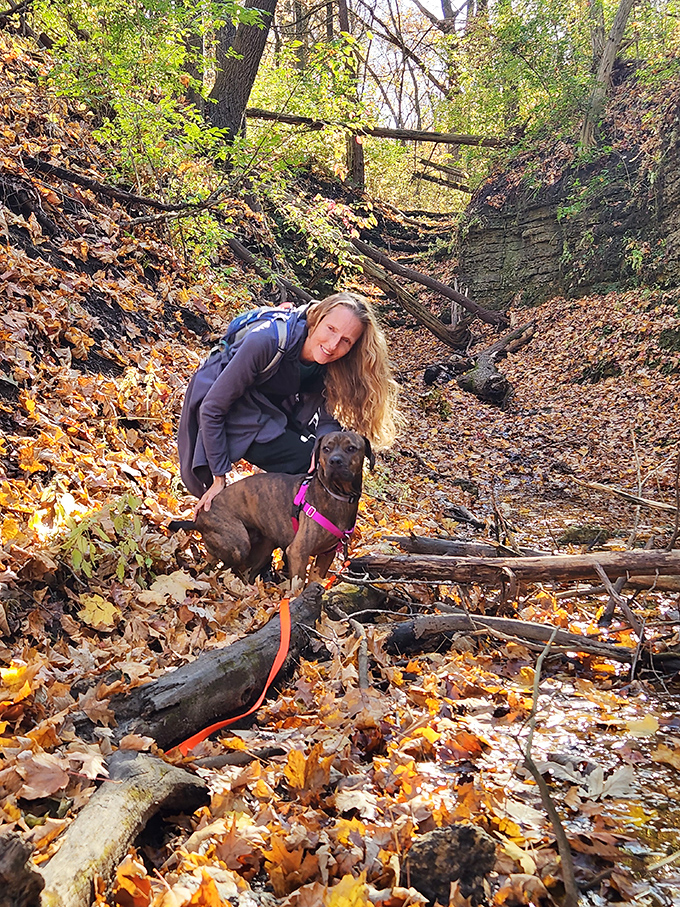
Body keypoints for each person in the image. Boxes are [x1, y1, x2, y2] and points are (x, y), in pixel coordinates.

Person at [178, 291, 399, 516]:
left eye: (346, 341)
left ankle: (294, 532)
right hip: (227, 406)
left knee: (317, 463)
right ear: (317, 319)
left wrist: (324, 451)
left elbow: (327, 421)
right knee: (304, 465)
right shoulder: (266, 341)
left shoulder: (333, 366)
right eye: (331, 329)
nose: (333, 345)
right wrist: (219, 477)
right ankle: (281, 532)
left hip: (267, 406)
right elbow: (212, 408)